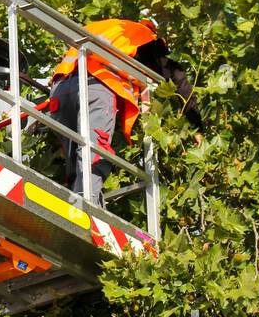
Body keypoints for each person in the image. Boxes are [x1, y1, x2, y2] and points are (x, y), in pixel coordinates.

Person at [48, 16, 203, 203]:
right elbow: (176, 77)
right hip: (98, 86)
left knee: (76, 160)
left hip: (60, 90)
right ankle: (85, 209)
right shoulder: (142, 36)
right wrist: (196, 126)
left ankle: (82, 203)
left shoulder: (106, 27)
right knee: (95, 153)